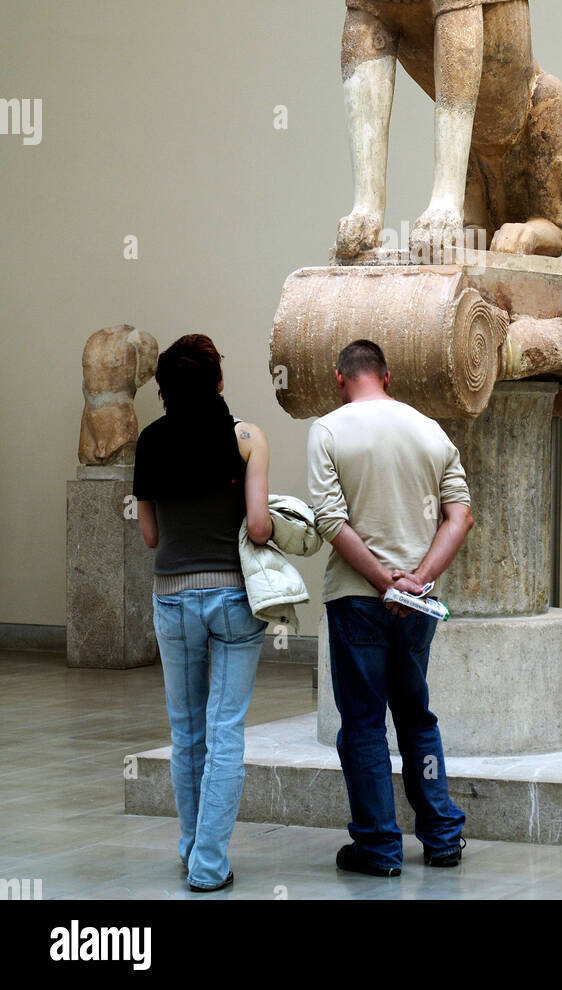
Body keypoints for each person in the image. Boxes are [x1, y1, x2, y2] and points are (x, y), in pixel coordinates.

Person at [307, 338, 474, 877]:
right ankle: (443, 836)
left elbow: (331, 522)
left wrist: (384, 583)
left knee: (362, 725)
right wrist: (416, 582)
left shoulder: (329, 430)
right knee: (416, 716)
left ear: (340, 378)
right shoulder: (430, 429)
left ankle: (379, 848)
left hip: (359, 598)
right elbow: (460, 517)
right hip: (417, 606)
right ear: (387, 376)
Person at [133, 334, 273, 892]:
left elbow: (149, 536)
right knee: (226, 732)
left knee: (186, 732)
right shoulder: (245, 438)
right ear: (218, 382)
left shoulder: (148, 442)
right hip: (233, 598)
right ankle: (209, 865)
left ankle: (192, 850)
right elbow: (259, 527)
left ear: (164, 389)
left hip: (171, 597)